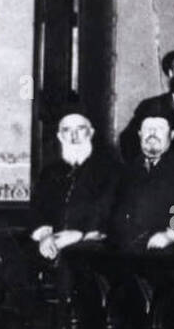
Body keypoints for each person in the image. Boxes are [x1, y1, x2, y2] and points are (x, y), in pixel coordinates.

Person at [31, 109, 120, 260]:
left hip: (93, 242)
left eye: (80, 129)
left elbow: (106, 208)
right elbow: (39, 208)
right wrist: (45, 235)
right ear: (60, 136)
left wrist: (80, 234)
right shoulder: (50, 172)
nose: (74, 136)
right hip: (52, 241)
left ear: (90, 133)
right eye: (67, 130)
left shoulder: (110, 169)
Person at [108, 115, 174, 253]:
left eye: (160, 128)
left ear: (172, 135)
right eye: (147, 128)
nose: (152, 133)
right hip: (126, 252)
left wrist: (172, 233)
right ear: (139, 134)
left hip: (165, 250)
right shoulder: (128, 170)